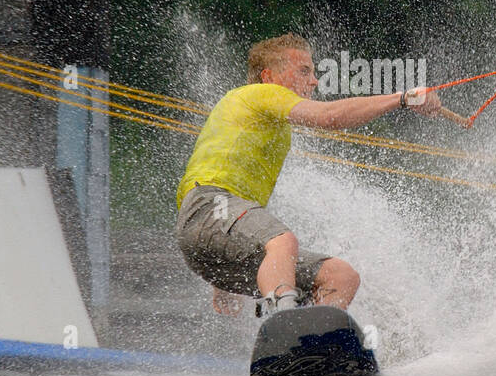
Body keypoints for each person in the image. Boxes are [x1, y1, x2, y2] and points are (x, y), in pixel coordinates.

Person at [176, 33, 445, 316]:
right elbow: (330, 117)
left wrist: (221, 279)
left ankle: (312, 346)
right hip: (210, 207)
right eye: (304, 70)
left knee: (340, 276)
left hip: (219, 242)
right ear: (269, 76)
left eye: (314, 72)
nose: (315, 80)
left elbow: (235, 219)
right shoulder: (258, 93)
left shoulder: (270, 125)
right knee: (283, 241)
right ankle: (286, 321)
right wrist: (402, 98)